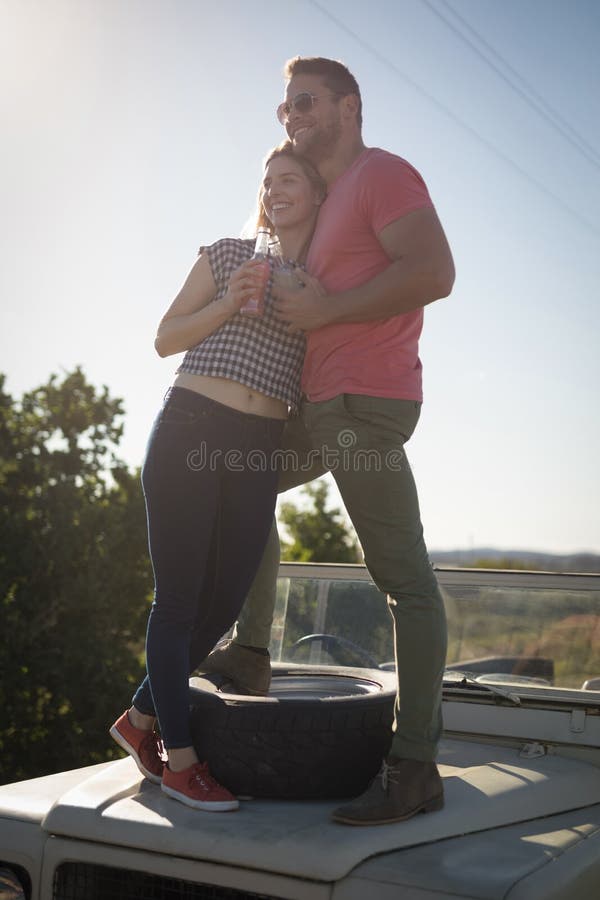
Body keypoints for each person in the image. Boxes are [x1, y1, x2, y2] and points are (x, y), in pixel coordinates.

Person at [200, 56, 455, 825]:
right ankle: (251, 654)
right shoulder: (327, 199)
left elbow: (435, 271)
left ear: (349, 107)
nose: (291, 117)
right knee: (234, 485)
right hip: (317, 405)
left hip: (364, 404)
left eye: (305, 103)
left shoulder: (383, 175)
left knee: (403, 578)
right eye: (284, 109)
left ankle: (414, 768)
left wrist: (329, 309)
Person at [109, 143, 326, 812]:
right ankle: (181, 761)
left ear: (318, 195)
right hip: (191, 427)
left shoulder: (322, 282)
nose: (276, 189)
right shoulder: (228, 255)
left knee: (226, 603)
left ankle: (139, 718)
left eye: (290, 178)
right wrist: (230, 301)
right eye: (269, 181)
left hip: (259, 447)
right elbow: (164, 337)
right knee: (176, 603)